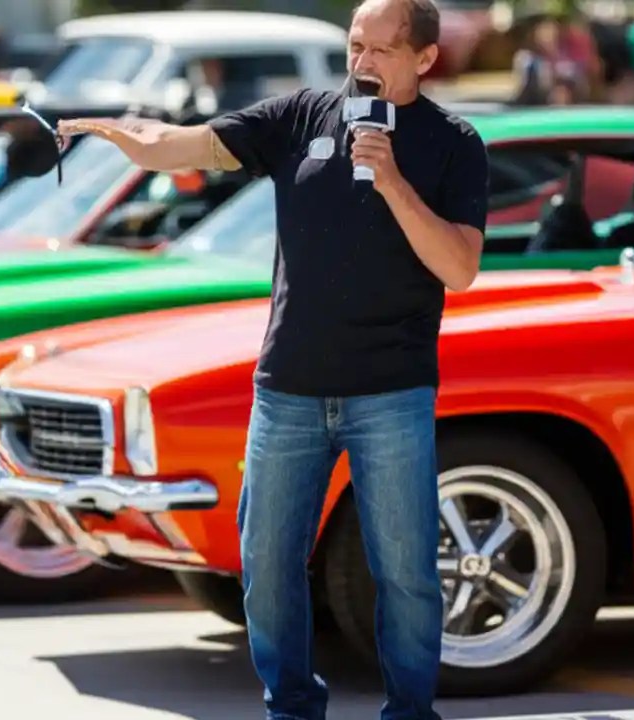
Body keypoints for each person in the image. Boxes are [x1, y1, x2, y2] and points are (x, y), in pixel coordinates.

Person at [58, 0, 488, 718]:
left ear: (423, 60)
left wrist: (391, 181)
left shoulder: (454, 142)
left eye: (383, 51)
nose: (364, 64)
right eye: (356, 46)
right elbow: (192, 143)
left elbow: (460, 268)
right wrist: (134, 139)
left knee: (406, 573)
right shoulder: (300, 117)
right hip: (289, 389)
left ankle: (411, 712)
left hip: (392, 393)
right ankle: (291, 705)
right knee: (265, 567)